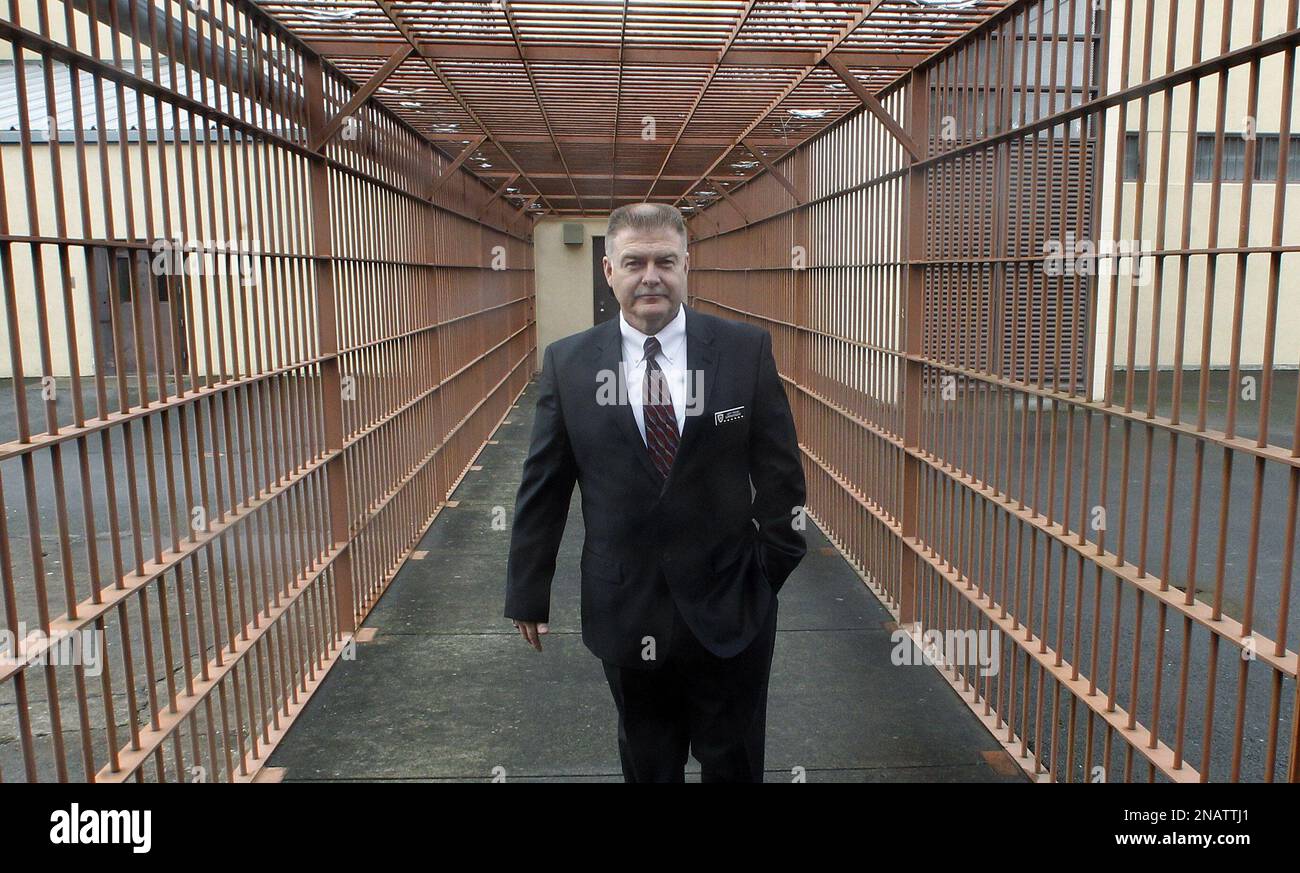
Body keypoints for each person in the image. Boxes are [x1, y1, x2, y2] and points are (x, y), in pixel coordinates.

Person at [504, 202, 807, 782]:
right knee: (648, 766)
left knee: (735, 764)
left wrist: (767, 574)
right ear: (609, 271)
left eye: (665, 261)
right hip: (625, 607)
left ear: (687, 265)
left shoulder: (744, 351)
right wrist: (528, 589)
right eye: (635, 262)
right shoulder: (568, 364)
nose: (651, 276)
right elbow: (545, 485)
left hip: (731, 607)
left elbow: (781, 477)